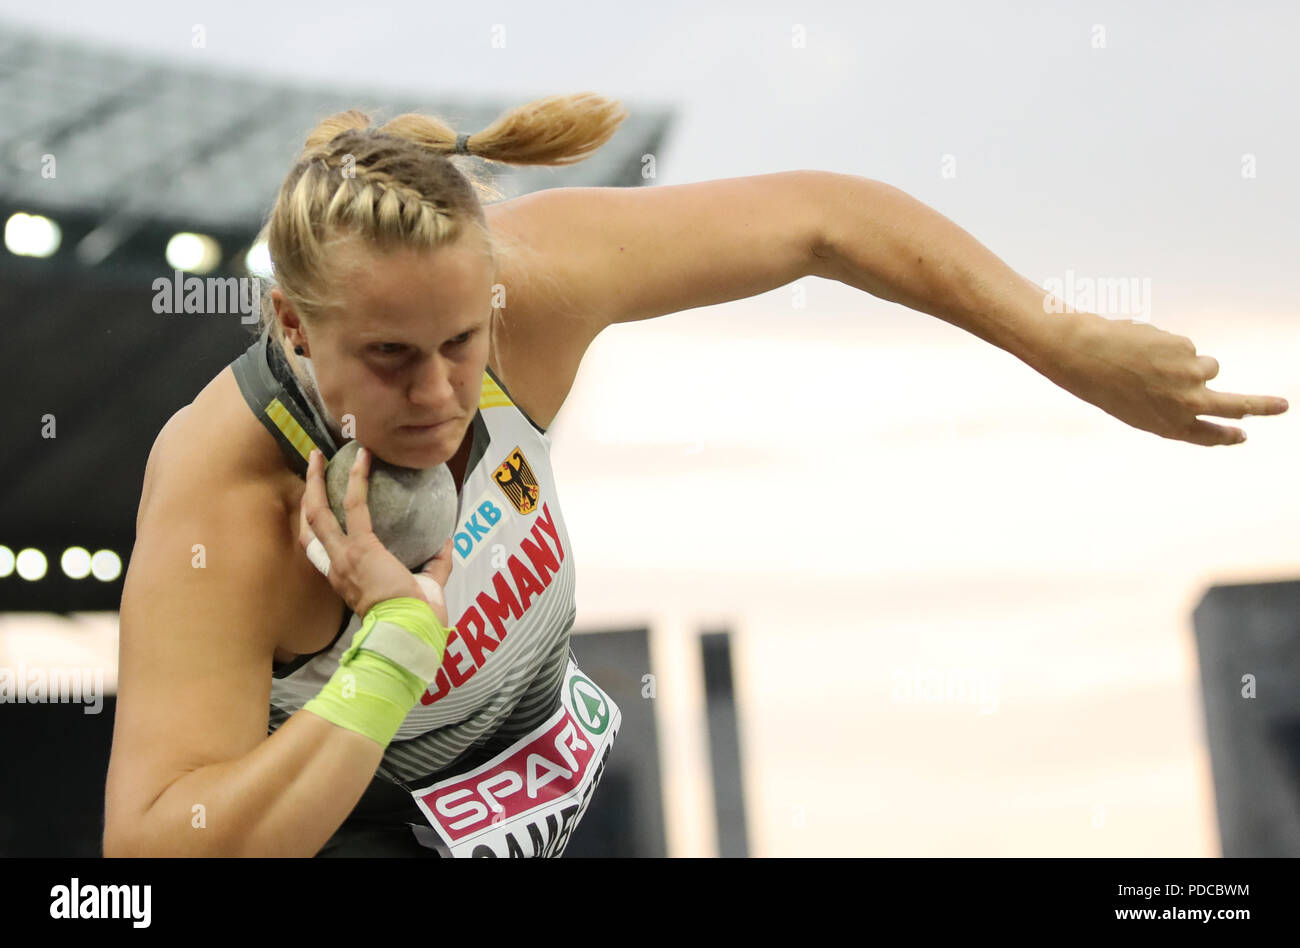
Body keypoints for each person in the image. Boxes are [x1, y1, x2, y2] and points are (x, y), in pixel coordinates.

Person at [103, 92, 1289, 859]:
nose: (441, 398)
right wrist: (391, 654)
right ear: (293, 330)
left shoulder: (535, 287)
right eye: (390, 360)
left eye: (462, 343)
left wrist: (1057, 336)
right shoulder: (227, 506)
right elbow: (149, 864)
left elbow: (820, 219)